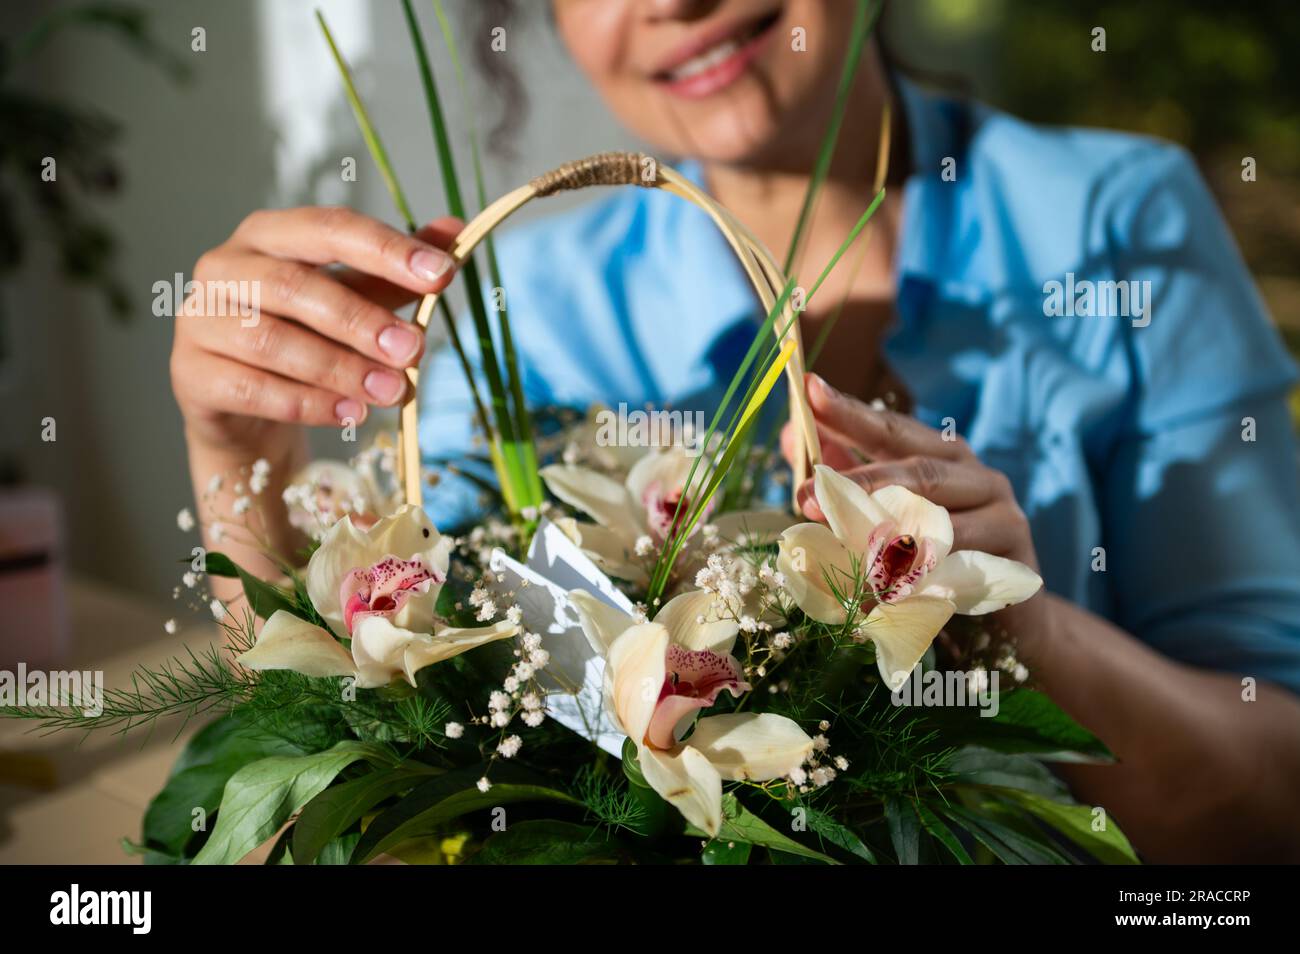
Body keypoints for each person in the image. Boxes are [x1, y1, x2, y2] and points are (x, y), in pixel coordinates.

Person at [170, 0, 1300, 861]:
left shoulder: (1116, 227)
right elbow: (379, 746)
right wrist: (240, 458)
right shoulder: (535, 296)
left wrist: (1018, 630)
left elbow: (1272, 792)